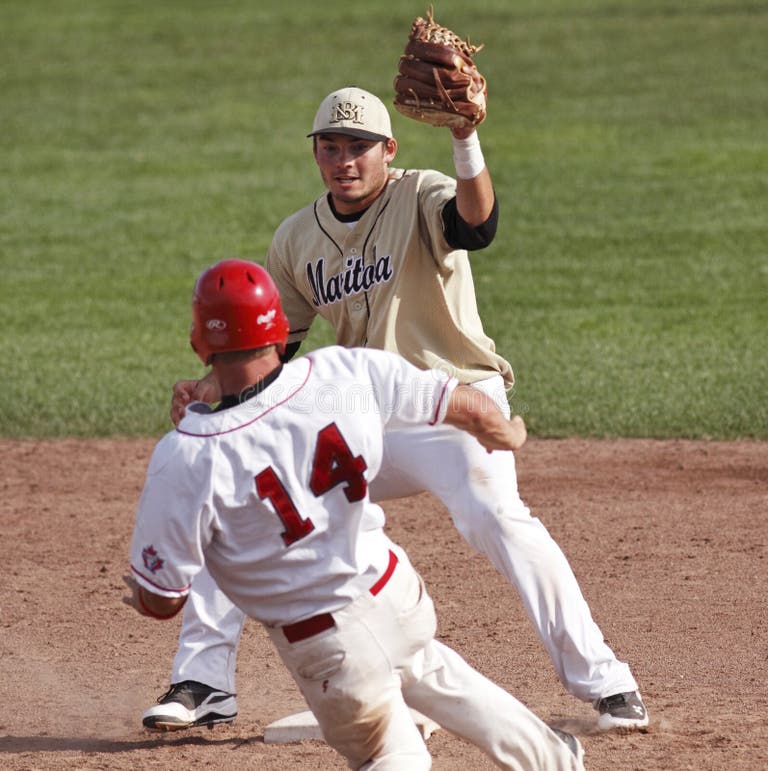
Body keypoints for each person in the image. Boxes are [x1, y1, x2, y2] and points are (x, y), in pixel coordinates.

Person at [147, 86, 647, 734]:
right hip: (367, 413)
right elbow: (270, 354)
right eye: (331, 146)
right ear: (317, 152)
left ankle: (606, 680)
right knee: (249, 501)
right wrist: (205, 386)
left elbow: (477, 225)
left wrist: (466, 136)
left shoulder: (421, 194)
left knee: (495, 514)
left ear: (389, 150)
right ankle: (203, 682)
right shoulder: (297, 238)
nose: (344, 159)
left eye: (359, 147)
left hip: (457, 401)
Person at [125, 258, 586, 770]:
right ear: (280, 333)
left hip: (330, 649)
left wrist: (144, 594)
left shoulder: (188, 454)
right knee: (430, 669)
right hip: (395, 594)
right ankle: (555, 761)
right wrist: (507, 432)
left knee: (392, 755)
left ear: (199, 345)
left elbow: (163, 599)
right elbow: (474, 408)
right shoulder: (344, 372)